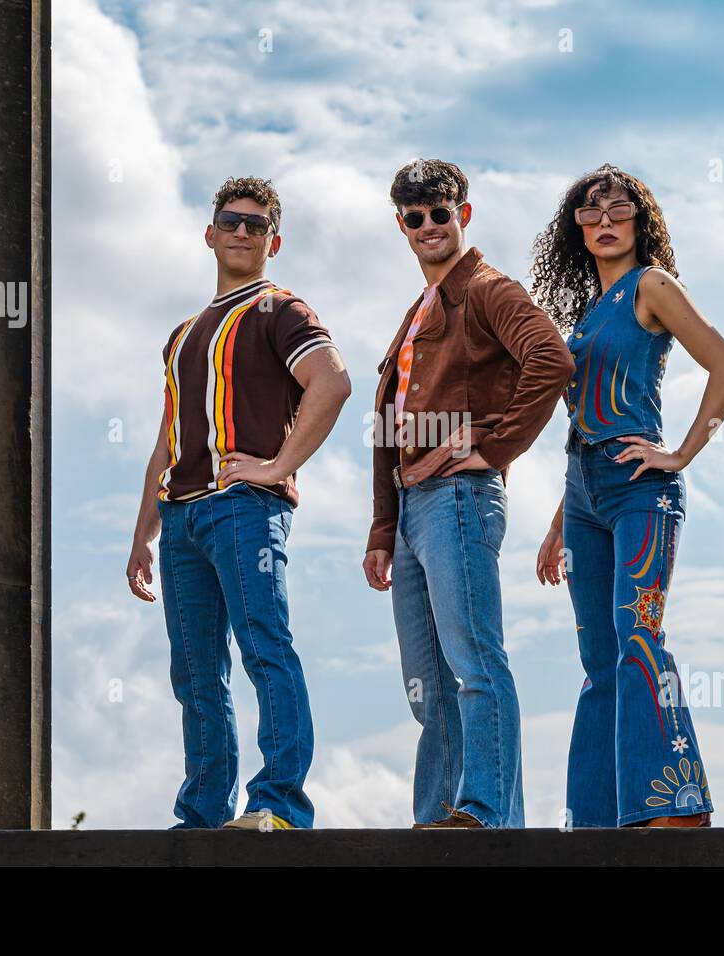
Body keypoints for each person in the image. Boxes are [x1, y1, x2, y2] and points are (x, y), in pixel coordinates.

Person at [126, 176, 351, 830]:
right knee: (197, 676)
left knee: (264, 648)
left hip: (243, 508)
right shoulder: (181, 335)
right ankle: (202, 815)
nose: (243, 232)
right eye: (232, 220)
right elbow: (166, 441)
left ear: (272, 240)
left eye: (257, 225)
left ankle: (278, 805)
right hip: (181, 521)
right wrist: (142, 533)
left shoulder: (280, 311)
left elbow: (332, 382)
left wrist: (279, 467)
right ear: (210, 232)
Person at [362, 158, 574, 828]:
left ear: (464, 216)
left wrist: (491, 449)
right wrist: (380, 527)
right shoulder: (417, 312)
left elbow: (552, 359)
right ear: (402, 224)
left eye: (440, 213)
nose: (428, 226)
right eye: (415, 217)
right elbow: (389, 421)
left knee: (476, 663)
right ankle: (438, 819)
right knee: (429, 688)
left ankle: (488, 815)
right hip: (411, 514)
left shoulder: (488, 290)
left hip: (458, 500)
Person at [533, 164, 724, 828]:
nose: (602, 220)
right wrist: (557, 525)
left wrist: (682, 451)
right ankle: (597, 819)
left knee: (638, 636)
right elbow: (579, 425)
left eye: (616, 208)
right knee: (598, 661)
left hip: (639, 491)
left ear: (639, 219)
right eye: (588, 212)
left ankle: (676, 806)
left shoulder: (652, 287)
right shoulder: (585, 317)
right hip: (582, 496)